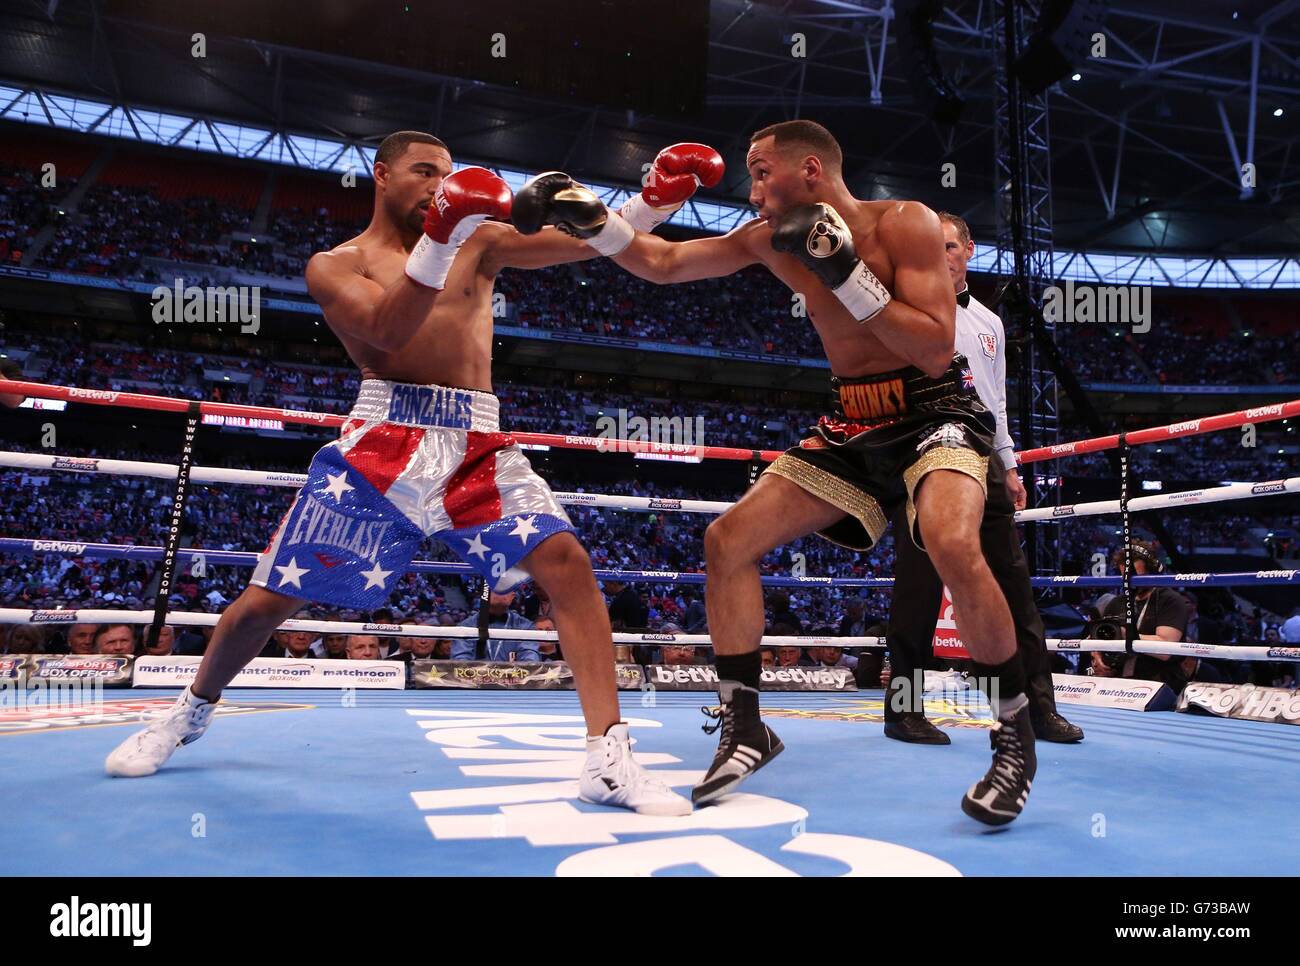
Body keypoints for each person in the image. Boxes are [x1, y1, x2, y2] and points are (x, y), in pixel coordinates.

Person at [105, 129, 689, 816]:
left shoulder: (480, 240)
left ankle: (608, 757)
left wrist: (651, 206)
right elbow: (387, 330)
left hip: (475, 436)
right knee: (267, 602)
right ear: (381, 176)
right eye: (423, 172)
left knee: (567, 564)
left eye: (447, 176)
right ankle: (191, 710)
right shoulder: (335, 264)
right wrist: (444, 232)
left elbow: (587, 241)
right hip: (383, 439)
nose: (439, 187)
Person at [515, 121, 1036, 823]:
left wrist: (844, 271)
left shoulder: (905, 224)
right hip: (852, 421)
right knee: (727, 540)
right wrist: (594, 220)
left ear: (811, 171)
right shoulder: (766, 239)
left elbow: (936, 349)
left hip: (935, 410)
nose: (752, 190)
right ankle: (745, 725)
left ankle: (1013, 737)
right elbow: (665, 264)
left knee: (949, 539)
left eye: (762, 173)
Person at [881, 212, 1082, 746]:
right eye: (929, 248)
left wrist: (1010, 464)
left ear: (968, 249)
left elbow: (997, 403)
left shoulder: (990, 322)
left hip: (985, 462)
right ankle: (903, 711)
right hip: (921, 458)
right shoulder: (902, 312)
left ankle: (1038, 708)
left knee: (1013, 586)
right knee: (919, 589)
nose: (938, 256)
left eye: (947, 246)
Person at [1090, 541, 1193, 691]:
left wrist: (1126, 635)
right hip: (1118, 682)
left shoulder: (1170, 600)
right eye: (1124, 576)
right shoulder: (1117, 602)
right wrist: (1098, 658)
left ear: (1151, 571)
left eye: (1135, 575)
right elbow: (1098, 637)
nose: (1130, 582)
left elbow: (1166, 649)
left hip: (1159, 683)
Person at [452, 589, 538, 661]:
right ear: (484, 593)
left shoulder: (526, 626)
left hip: (514, 679)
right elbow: (460, 662)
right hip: (475, 679)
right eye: (496, 587)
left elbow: (530, 661)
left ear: (512, 595)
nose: (501, 591)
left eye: (505, 588)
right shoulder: (466, 626)